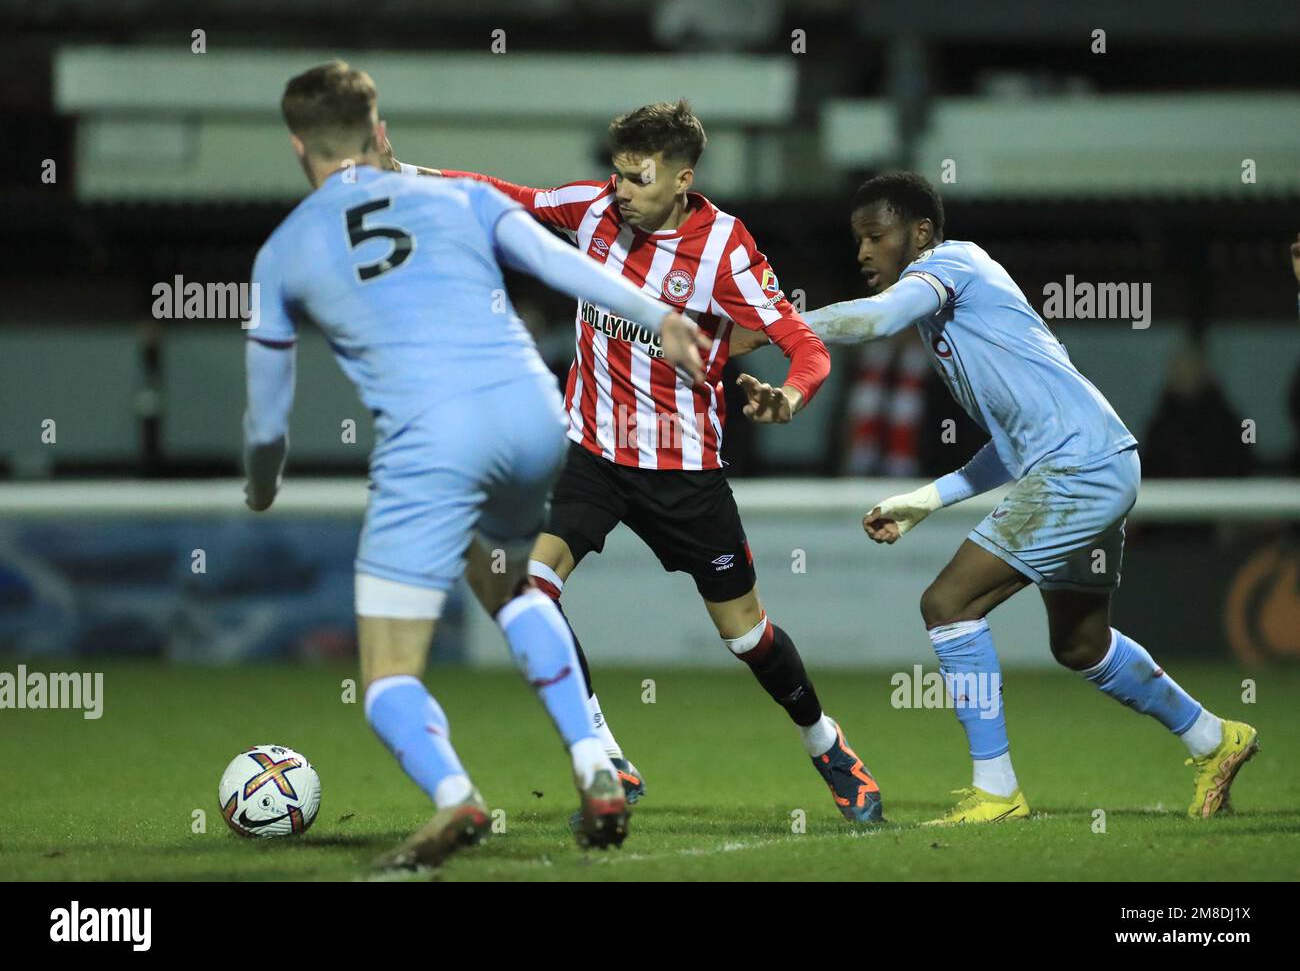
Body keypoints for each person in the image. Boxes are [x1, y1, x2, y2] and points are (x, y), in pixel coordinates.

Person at [242, 61, 706, 869]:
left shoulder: (283, 251)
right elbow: (559, 264)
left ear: (296, 146)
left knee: (387, 674)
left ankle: (456, 797)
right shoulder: (459, 196)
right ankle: (595, 761)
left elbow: (265, 421)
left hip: (434, 438)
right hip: (534, 414)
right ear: (378, 132)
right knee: (510, 581)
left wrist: (262, 484)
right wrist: (659, 314)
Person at [382, 99, 884, 824]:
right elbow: (502, 193)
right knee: (530, 588)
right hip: (590, 454)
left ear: (683, 178)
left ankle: (827, 742)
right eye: (616, 174)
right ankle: (604, 750)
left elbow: (807, 346)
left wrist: (790, 398)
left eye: (638, 178)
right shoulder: (593, 211)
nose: (620, 190)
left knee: (746, 634)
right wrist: (401, 172)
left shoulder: (726, 249)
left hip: (683, 471)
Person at [795, 171, 1256, 823]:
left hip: (1079, 467)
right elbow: (1011, 449)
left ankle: (996, 790)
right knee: (1080, 645)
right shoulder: (949, 323)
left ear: (919, 233)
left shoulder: (953, 263)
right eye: (857, 241)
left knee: (948, 601)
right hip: (1091, 460)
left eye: (875, 236)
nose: (864, 252)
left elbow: (873, 320)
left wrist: (781, 326)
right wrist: (925, 499)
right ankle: (1215, 737)